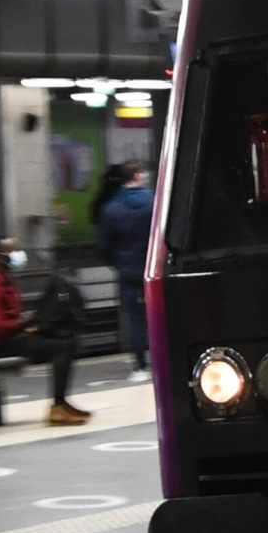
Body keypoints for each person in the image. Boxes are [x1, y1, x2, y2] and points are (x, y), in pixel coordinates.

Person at [0, 235, 90, 425]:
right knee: (62, 347)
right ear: (1, 256)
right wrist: (24, 324)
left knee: (66, 339)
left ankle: (61, 402)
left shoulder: (0, 278)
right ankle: (57, 407)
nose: (19, 254)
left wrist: (27, 325)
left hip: (6, 339)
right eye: (13, 250)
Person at [94, 163, 154, 380]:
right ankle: (163, 358)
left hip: (127, 269)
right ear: (137, 176)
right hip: (153, 267)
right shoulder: (155, 204)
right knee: (158, 315)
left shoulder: (111, 209)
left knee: (134, 319)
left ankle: (139, 366)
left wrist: (117, 263)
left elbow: (104, 246)